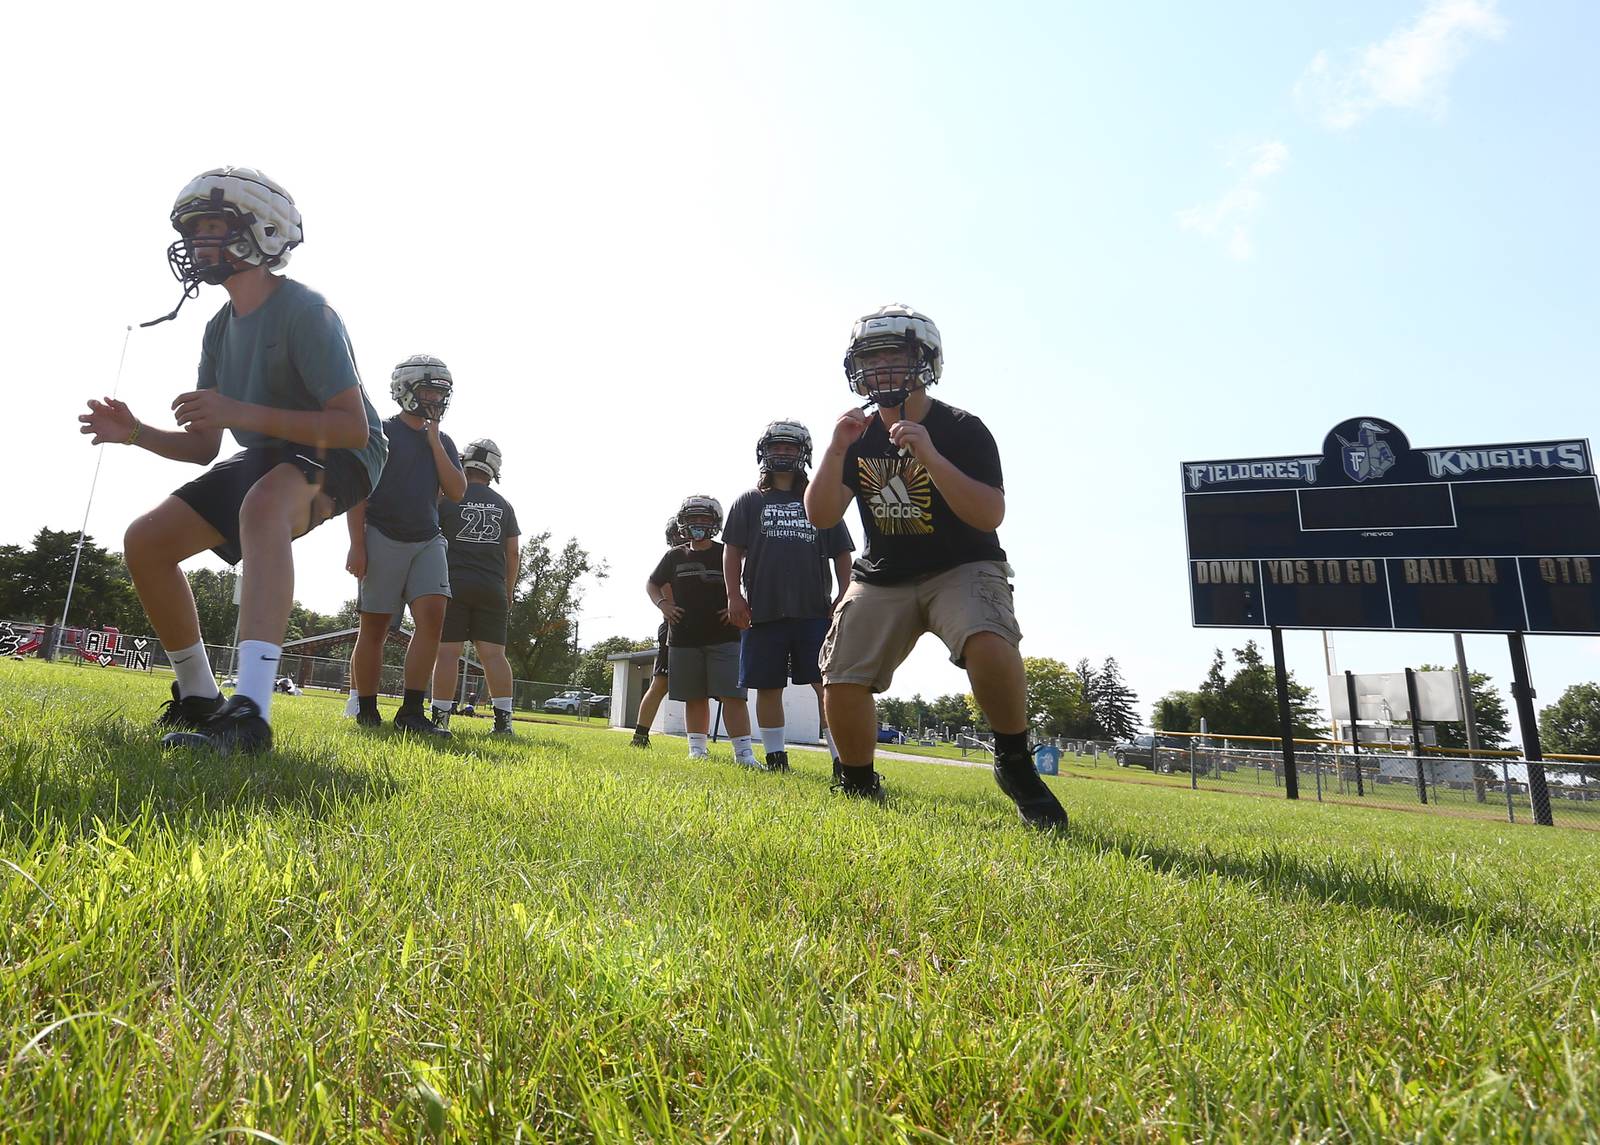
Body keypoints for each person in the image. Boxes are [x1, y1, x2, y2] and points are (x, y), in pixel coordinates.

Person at [79, 167, 386, 754]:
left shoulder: (307, 310)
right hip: (268, 453)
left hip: (346, 452)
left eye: (212, 227)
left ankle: (251, 713)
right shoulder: (219, 328)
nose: (198, 244)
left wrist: (235, 408)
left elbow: (351, 426)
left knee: (264, 502)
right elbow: (203, 447)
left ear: (264, 232)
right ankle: (200, 696)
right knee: (146, 540)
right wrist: (136, 432)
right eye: (193, 232)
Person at [803, 304, 1068, 828]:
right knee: (841, 672)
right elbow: (821, 514)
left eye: (894, 356)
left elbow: (990, 513)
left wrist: (931, 459)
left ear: (924, 361)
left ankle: (1013, 760)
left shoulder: (962, 428)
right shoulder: (857, 437)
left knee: (988, 638)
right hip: (883, 572)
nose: (881, 370)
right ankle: (856, 781)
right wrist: (835, 451)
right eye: (870, 359)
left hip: (961, 564)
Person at [345, 355, 467, 736]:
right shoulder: (379, 432)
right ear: (406, 390)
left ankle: (411, 712)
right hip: (382, 533)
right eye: (429, 390)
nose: (435, 399)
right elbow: (357, 492)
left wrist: (433, 442)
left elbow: (457, 491)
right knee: (376, 627)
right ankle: (366, 709)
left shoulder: (443, 439)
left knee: (432, 618)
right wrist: (357, 545)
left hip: (427, 538)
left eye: (440, 392)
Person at [724, 420, 853, 773]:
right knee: (768, 685)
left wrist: (843, 594)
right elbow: (732, 550)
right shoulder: (749, 501)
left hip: (813, 609)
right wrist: (734, 595)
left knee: (824, 684)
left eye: (790, 447)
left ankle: (842, 759)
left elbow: (842, 552)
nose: (782, 453)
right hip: (762, 609)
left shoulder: (818, 498)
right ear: (763, 452)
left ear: (803, 453)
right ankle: (776, 757)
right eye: (776, 446)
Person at [646, 496, 757, 765]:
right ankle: (697, 750)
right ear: (683, 522)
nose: (698, 524)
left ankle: (744, 755)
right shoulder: (674, 556)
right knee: (694, 696)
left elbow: (754, 581)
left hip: (725, 637)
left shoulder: (727, 553)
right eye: (693, 519)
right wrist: (664, 605)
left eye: (704, 519)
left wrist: (740, 605)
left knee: (733, 696)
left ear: (715, 523)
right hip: (684, 638)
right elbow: (652, 583)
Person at [430, 439, 521, 736]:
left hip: (454, 582)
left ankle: (441, 721)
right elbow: (513, 553)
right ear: (494, 469)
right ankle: (503, 722)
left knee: (447, 653)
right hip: (491, 586)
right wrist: (508, 590)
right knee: (494, 655)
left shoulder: (448, 498)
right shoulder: (505, 504)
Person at [631, 515, 685, 748]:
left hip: (704, 630)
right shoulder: (672, 561)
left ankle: (699, 743)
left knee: (705, 690)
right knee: (660, 683)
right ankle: (640, 736)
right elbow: (666, 599)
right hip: (675, 628)